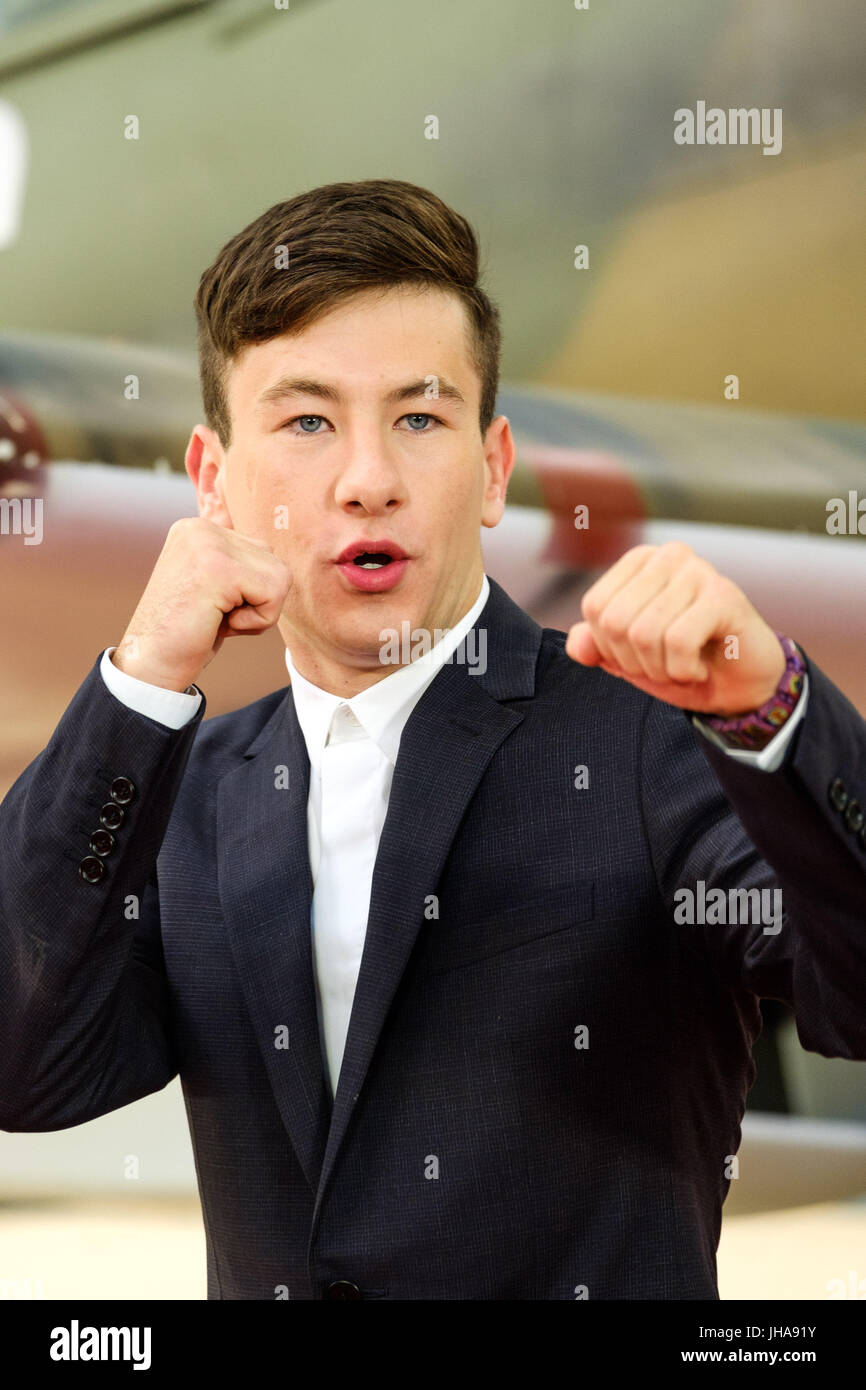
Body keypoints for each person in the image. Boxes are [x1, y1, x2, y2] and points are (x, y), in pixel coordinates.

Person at [1, 179, 864, 1300]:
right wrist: (138, 680)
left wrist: (772, 705)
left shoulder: (654, 738)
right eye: (306, 420)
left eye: (418, 417)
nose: (368, 481)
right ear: (212, 482)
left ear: (493, 466)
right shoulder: (188, 790)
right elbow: (25, 1066)